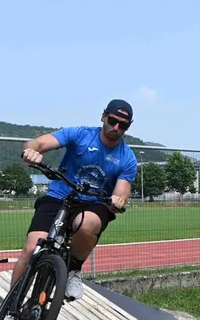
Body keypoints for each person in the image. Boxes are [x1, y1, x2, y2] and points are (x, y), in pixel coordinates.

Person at [12, 99, 138, 300]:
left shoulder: (128, 158)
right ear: (104, 116)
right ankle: (11, 305)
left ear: (127, 127)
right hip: (59, 196)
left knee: (86, 223)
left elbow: (122, 192)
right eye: (113, 120)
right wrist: (31, 150)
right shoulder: (80, 134)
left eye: (122, 125)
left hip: (94, 204)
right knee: (30, 249)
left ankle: (74, 269)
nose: (116, 127)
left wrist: (118, 200)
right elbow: (39, 142)